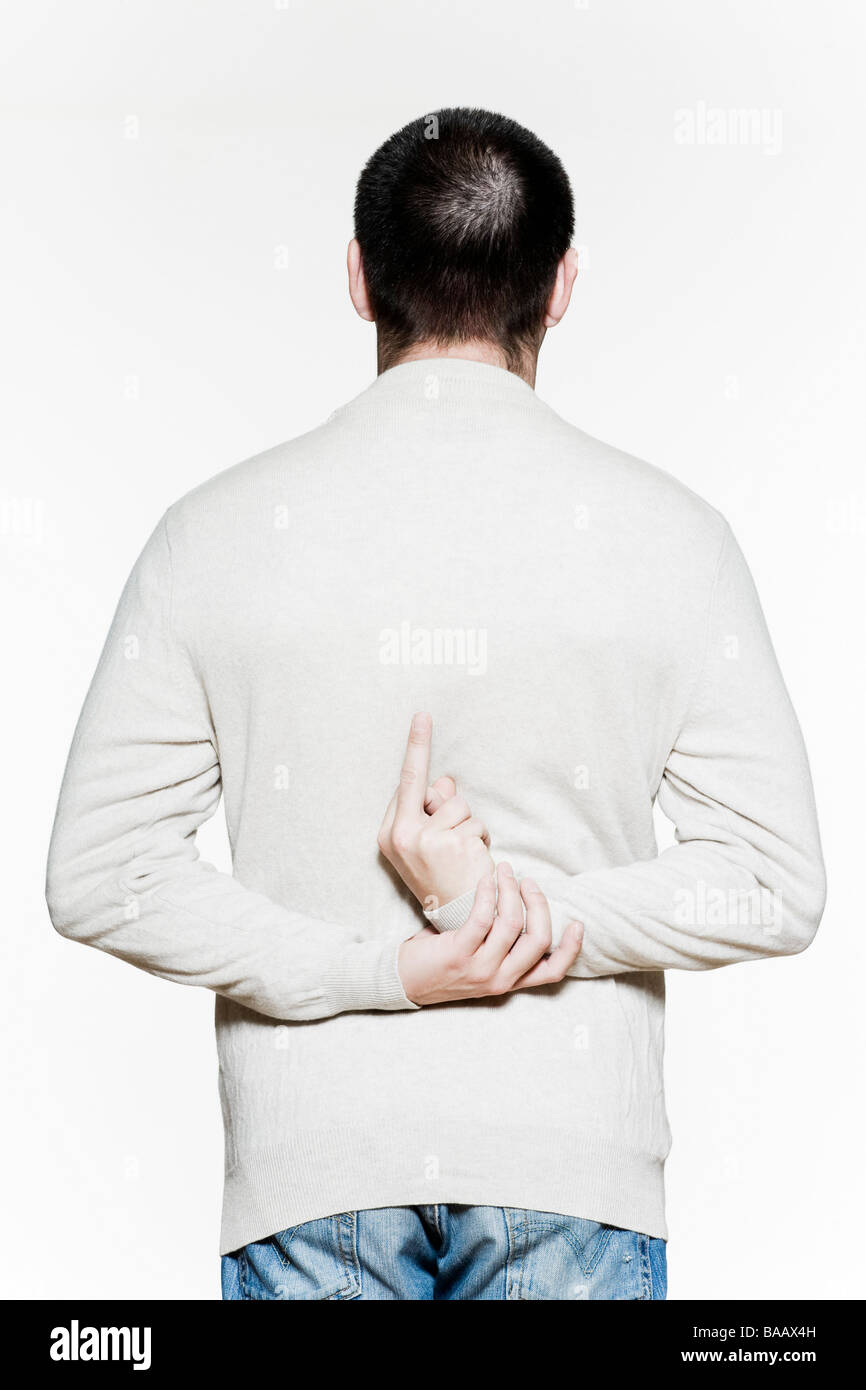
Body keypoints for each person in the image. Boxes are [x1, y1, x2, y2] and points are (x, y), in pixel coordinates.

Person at [46, 107, 825, 1301]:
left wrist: (405, 954)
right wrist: (516, 921)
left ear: (357, 280)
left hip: (311, 1179)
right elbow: (770, 882)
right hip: (571, 1175)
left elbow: (99, 872)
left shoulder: (213, 533)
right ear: (560, 285)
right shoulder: (672, 539)